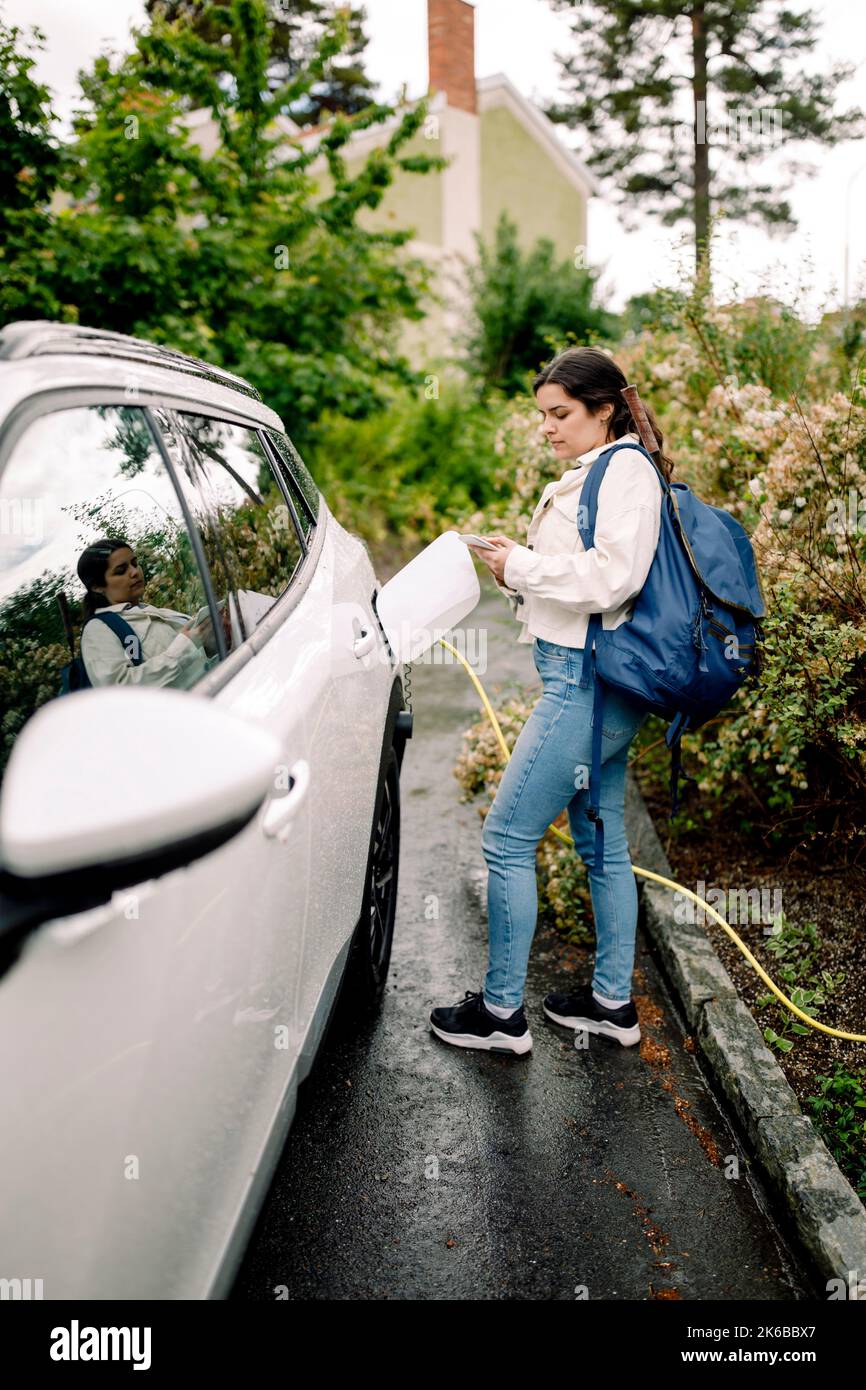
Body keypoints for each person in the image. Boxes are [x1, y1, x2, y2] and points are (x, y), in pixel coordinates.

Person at [430, 346, 670, 1056]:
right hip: (592, 684)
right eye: (542, 415)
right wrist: (514, 566)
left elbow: (614, 577)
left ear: (605, 409)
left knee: (506, 839)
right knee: (602, 847)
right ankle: (611, 1004)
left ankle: (501, 1016)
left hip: (584, 689)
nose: (547, 427)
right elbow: (579, 579)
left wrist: (525, 565)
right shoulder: (598, 469)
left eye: (560, 413)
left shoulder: (626, 470)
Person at [76, 538, 225, 689]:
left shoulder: (156, 612)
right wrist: (186, 647)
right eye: (121, 570)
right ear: (97, 587)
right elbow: (119, 690)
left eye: (135, 563)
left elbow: (194, 662)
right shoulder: (98, 629)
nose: (134, 572)